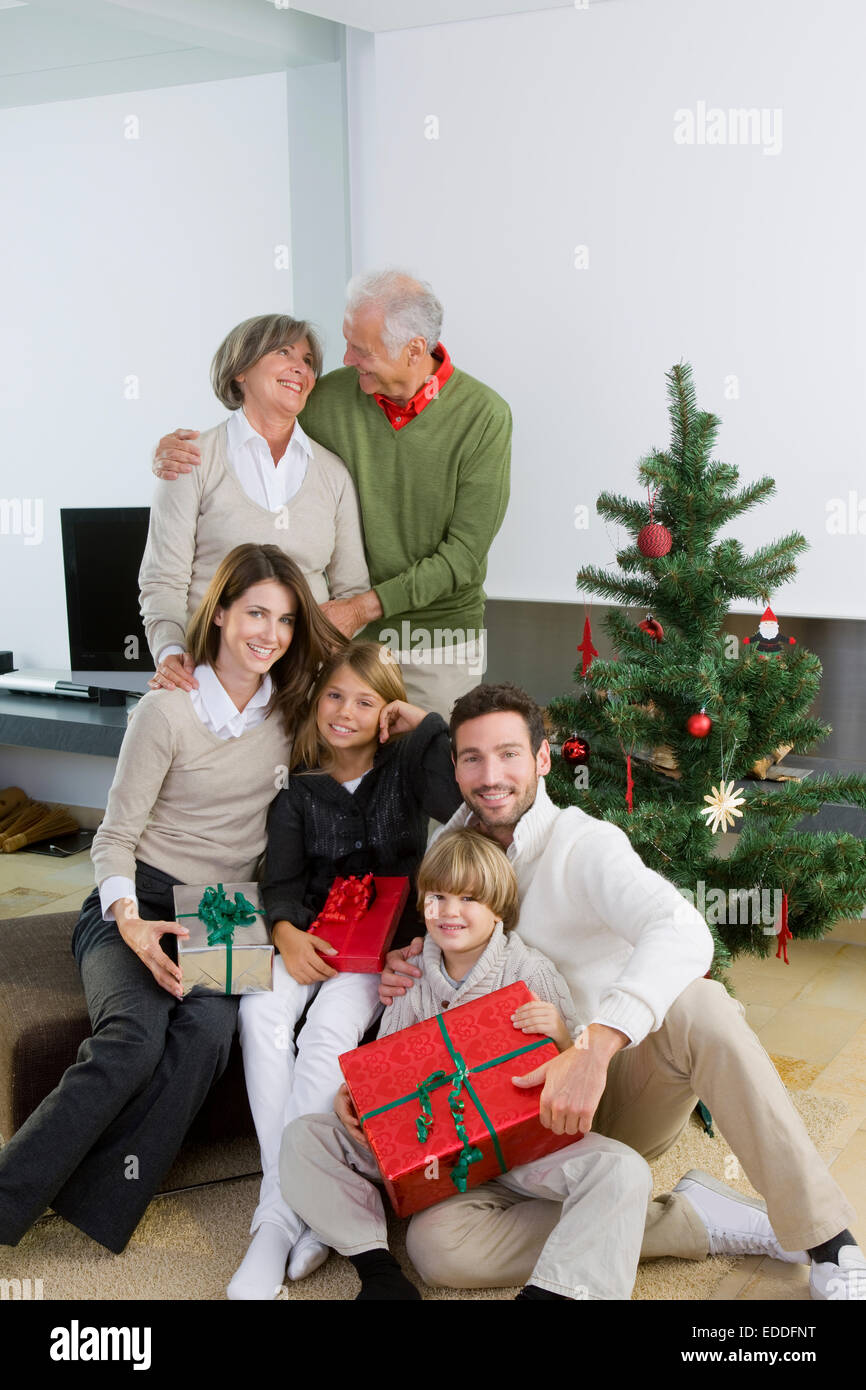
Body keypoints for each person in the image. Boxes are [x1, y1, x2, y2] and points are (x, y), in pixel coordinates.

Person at [380, 683, 865, 1300]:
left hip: (602, 1098)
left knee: (702, 1006)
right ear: (455, 766)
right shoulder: (446, 847)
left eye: (508, 754)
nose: (491, 775)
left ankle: (825, 1237)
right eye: (473, 758)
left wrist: (593, 1048)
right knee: (439, 1250)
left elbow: (684, 928)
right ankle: (693, 1220)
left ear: (543, 759)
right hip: (492, 1118)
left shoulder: (586, 844)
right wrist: (411, 959)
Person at [0, 544, 342, 1255]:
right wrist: (130, 922)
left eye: (284, 619)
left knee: (209, 1036)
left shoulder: (296, 713)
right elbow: (111, 839)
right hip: (138, 894)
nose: (269, 634)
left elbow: (367, 701)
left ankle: (96, 1199)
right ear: (219, 614)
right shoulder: (167, 712)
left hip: (227, 907)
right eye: (254, 612)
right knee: (131, 1040)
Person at [280, 828, 653, 1301]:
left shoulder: (530, 970)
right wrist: (357, 1098)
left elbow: (575, 1072)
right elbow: (390, 1066)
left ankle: (556, 1292)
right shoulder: (412, 976)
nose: (449, 912)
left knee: (623, 1169)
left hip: (522, 1149)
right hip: (432, 1153)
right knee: (303, 1136)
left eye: (469, 898)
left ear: (497, 907)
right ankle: (378, 1271)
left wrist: (562, 1034)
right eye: (437, 897)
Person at [151, 270, 512, 718]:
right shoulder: (330, 396)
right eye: (345, 343)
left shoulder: (484, 416)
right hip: (337, 635)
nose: (343, 359)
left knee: (431, 764)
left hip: (433, 636)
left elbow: (463, 556)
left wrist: (361, 608)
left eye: (361, 349)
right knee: (348, 770)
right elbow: (256, 413)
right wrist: (170, 453)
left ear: (414, 350)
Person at [230, 640, 465, 1300]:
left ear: (385, 711)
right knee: (259, 1011)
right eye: (334, 695)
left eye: (365, 701)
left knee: (328, 1035)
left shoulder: (407, 772)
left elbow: (458, 803)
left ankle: (283, 1217)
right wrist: (283, 933)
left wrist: (424, 723)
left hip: (380, 951)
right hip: (306, 939)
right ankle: (286, 1211)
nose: (345, 711)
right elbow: (277, 883)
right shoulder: (298, 789)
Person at [139, 313, 370, 689]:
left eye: (308, 361)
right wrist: (171, 654)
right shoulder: (191, 459)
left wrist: (313, 669)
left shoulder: (333, 473)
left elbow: (351, 593)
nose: (301, 368)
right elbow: (162, 581)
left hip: (302, 687)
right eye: (284, 352)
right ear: (240, 370)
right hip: (206, 679)